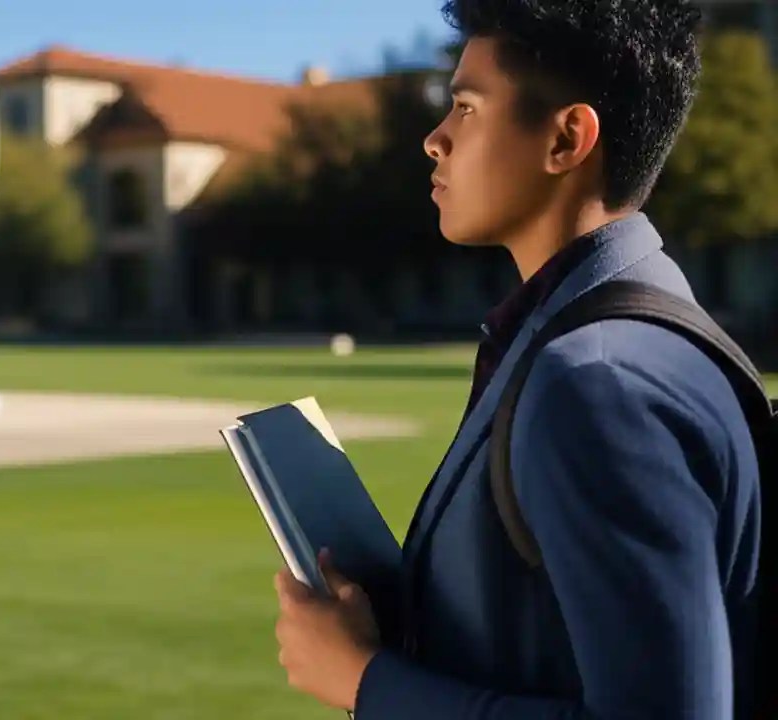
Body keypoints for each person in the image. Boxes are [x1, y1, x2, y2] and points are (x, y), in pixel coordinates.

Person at [272, 1, 762, 718]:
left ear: (567, 138)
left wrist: (362, 679)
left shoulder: (595, 381)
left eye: (466, 108)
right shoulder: (631, 321)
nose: (434, 140)